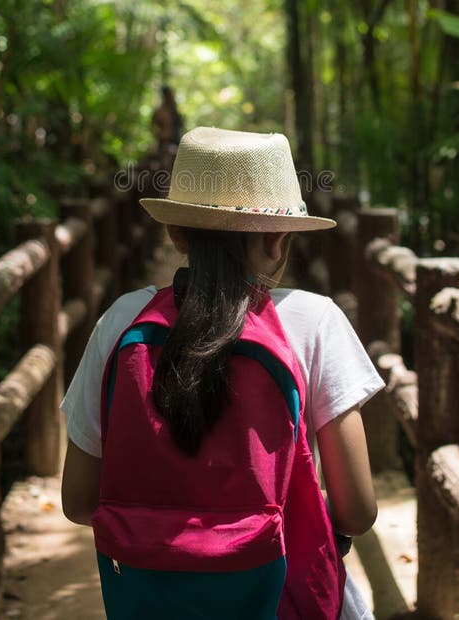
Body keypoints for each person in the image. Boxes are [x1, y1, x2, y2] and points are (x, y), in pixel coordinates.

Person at [61, 127, 384, 619]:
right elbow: (357, 513)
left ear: (176, 233)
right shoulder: (316, 322)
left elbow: (79, 501)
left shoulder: (121, 321)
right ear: (279, 240)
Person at [151, 85, 183, 150]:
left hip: (175, 141)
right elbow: (154, 126)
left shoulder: (174, 110)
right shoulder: (161, 111)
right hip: (164, 142)